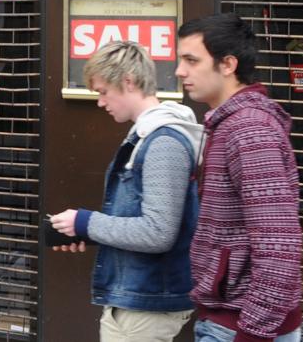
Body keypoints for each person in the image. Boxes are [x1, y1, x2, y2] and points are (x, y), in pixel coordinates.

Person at [50, 40, 203, 342]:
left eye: (103, 91)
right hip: (139, 298)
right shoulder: (150, 135)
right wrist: (86, 231)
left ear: (128, 81)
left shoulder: (163, 142)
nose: (100, 102)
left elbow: (158, 232)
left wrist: (85, 223)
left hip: (146, 304)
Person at [176, 13, 302, 342]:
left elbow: (278, 244)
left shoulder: (249, 130)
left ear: (228, 64)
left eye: (191, 60)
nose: (180, 71)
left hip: (240, 327)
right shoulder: (231, 124)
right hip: (231, 320)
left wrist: (253, 333)